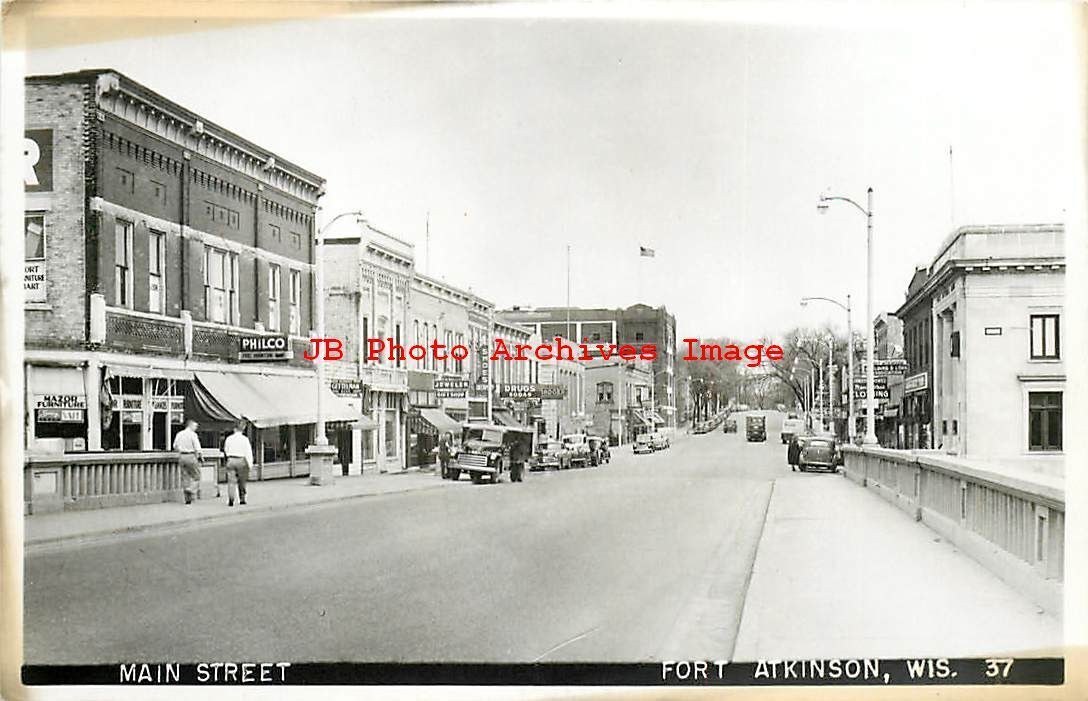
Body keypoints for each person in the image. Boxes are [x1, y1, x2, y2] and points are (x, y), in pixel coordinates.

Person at [222, 421, 254, 507]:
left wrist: (229, 457)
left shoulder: (229, 439)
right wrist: (250, 464)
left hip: (231, 460)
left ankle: (231, 499)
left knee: (231, 481)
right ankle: (242, 498)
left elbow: (226, 449)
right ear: (242, 430)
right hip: (241, 460)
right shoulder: (245, 439)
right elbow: (248, 452)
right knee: (242, 480)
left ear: (234, 429)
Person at [173, 419, 202, 504]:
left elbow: (175, 445)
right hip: (191, 456)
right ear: (191, 425)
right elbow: (197, 447)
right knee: (197, 476)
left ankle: (187, 499)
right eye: (195, 426)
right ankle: (191, 489)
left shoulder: (179, 434)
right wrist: (200, 456)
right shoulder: (193, 435)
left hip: (182, 456)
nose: (196, 428)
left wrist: (181, 450)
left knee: (185, 476)